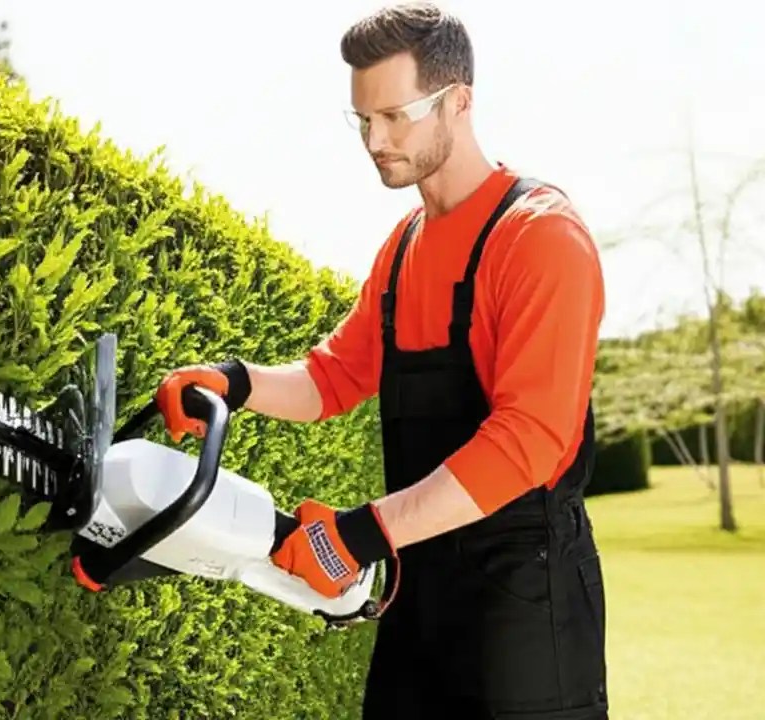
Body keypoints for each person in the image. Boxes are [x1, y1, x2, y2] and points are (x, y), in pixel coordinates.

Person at [154, 2, 609, 718]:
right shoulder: (402, 250)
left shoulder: (540, 236)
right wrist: (233, 383)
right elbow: (334, 377)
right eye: (363, 120)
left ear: (459, 101)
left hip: (527, 595)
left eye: (396, 116)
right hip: (418, 589)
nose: (375, 139)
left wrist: (360, 532)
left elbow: (530, 440)